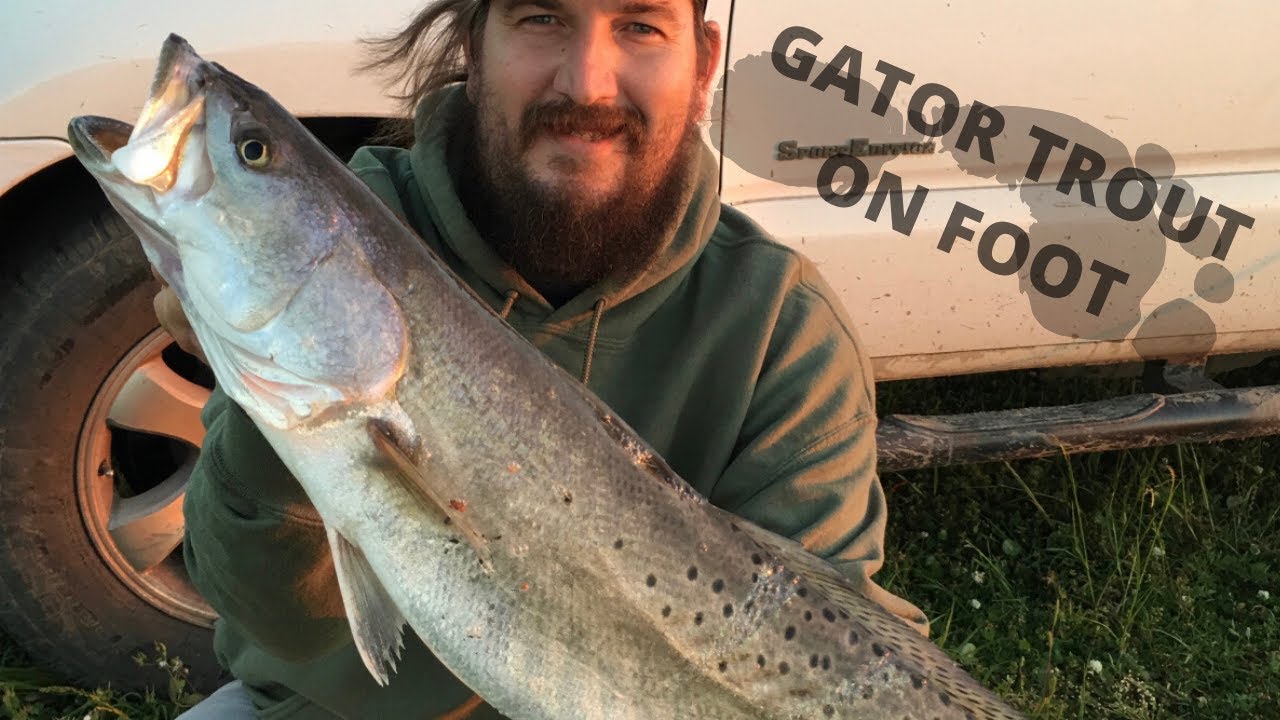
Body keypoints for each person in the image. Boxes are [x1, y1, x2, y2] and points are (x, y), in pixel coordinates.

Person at [167, 0, 928, 717]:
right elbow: (278, 623)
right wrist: (273, 427)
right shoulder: (354, 232)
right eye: (540, 16)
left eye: (639, 24)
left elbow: (839, 653)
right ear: (472, 44)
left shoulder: (782, 327)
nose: (586, 82)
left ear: (701, 66)